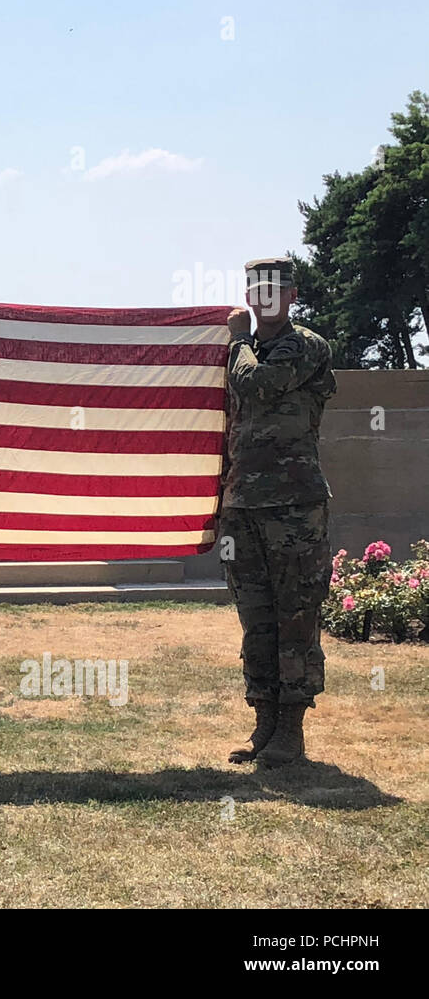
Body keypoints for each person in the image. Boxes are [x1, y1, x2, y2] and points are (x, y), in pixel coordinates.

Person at [221, 257, 337, 768]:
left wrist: (237, 342)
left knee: (296, 615)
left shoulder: (304, 345)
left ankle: (292, 728)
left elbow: (258, 384)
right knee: (257, 619)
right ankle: (263, 721)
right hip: (242, 503)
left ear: (291, 296)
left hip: (293, 505)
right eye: (258, 290)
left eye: (276, 290)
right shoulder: (240, 351)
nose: (266, 297)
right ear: (251, 296)